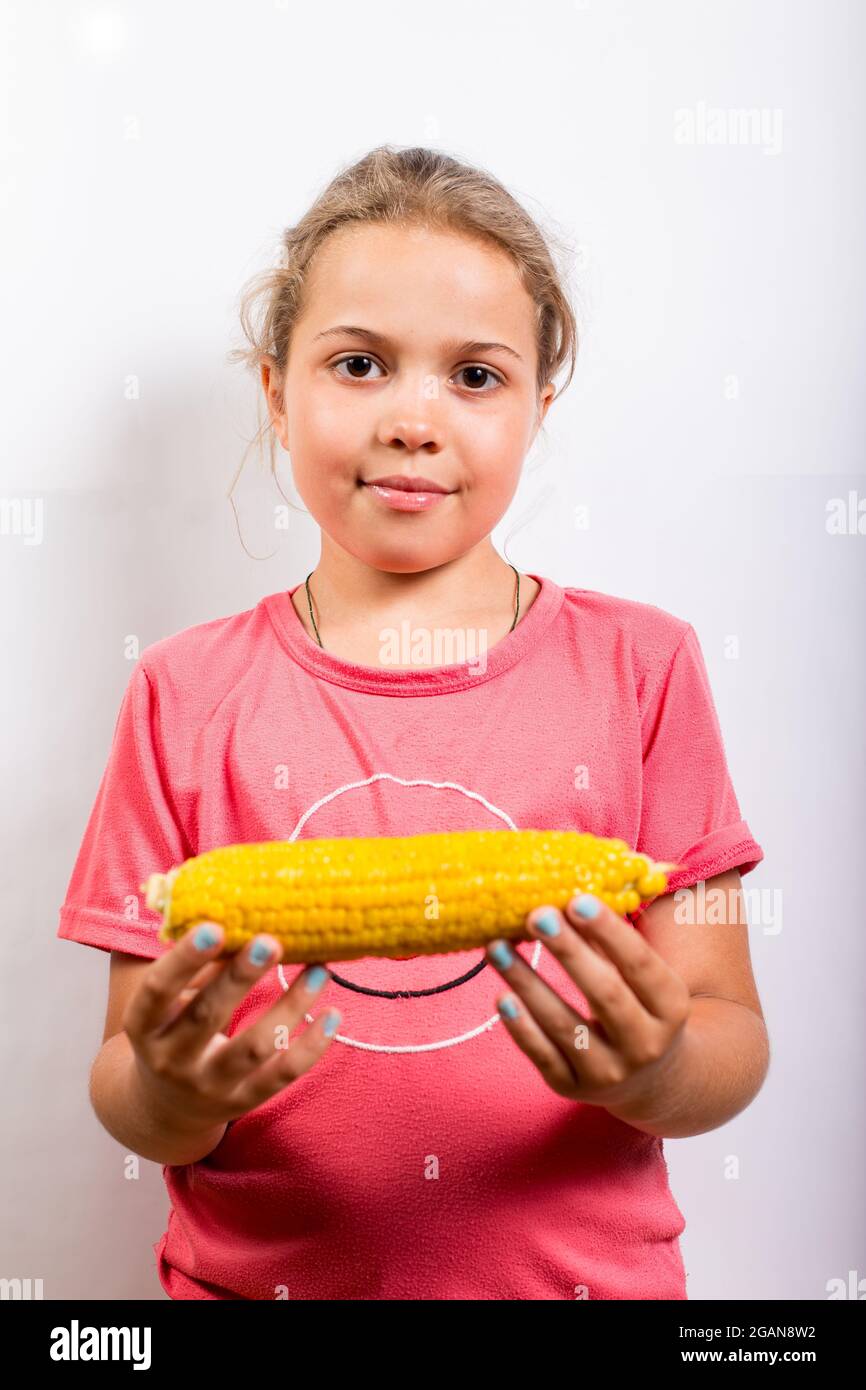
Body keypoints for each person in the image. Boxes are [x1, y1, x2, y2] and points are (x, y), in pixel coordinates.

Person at [57, 144, 768, 1301]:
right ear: (276, 392)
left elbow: (729, 1033)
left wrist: (660, 1069)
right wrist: (174, 1095)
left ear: (540, 403)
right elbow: (128, 1078)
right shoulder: (181, 693)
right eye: (358, 364)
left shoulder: (643, 668)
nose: (412, 419)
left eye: (475, 377)